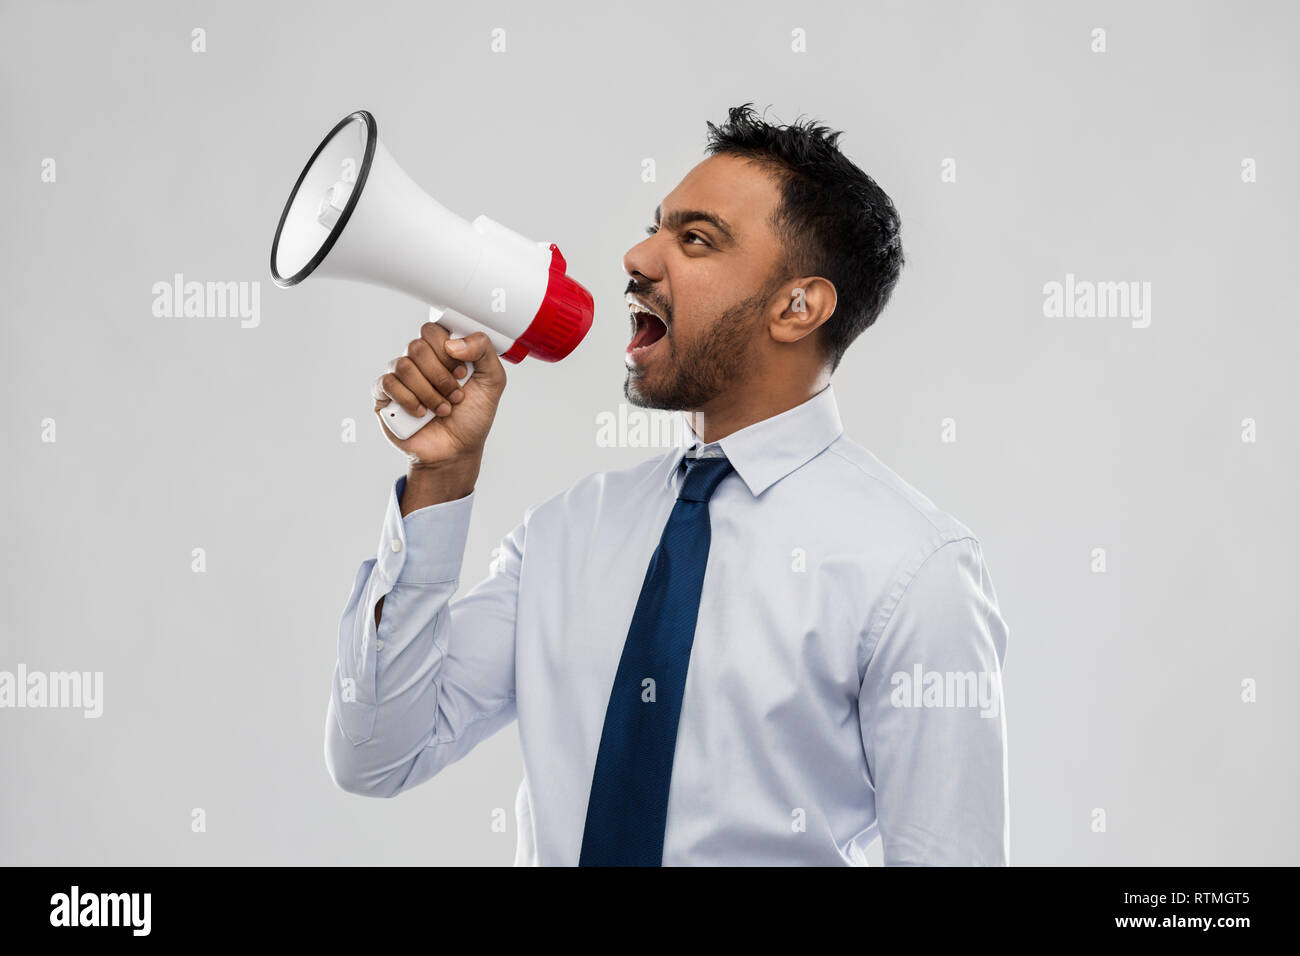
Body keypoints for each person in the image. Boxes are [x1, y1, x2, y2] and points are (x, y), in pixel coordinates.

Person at [324, 103, 1010, 866]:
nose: (637, 256)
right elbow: (377, 754)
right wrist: (440, 475)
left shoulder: (915, 570)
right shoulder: (568, 531)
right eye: (656, 227)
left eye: (694, 240)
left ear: (798, 306)